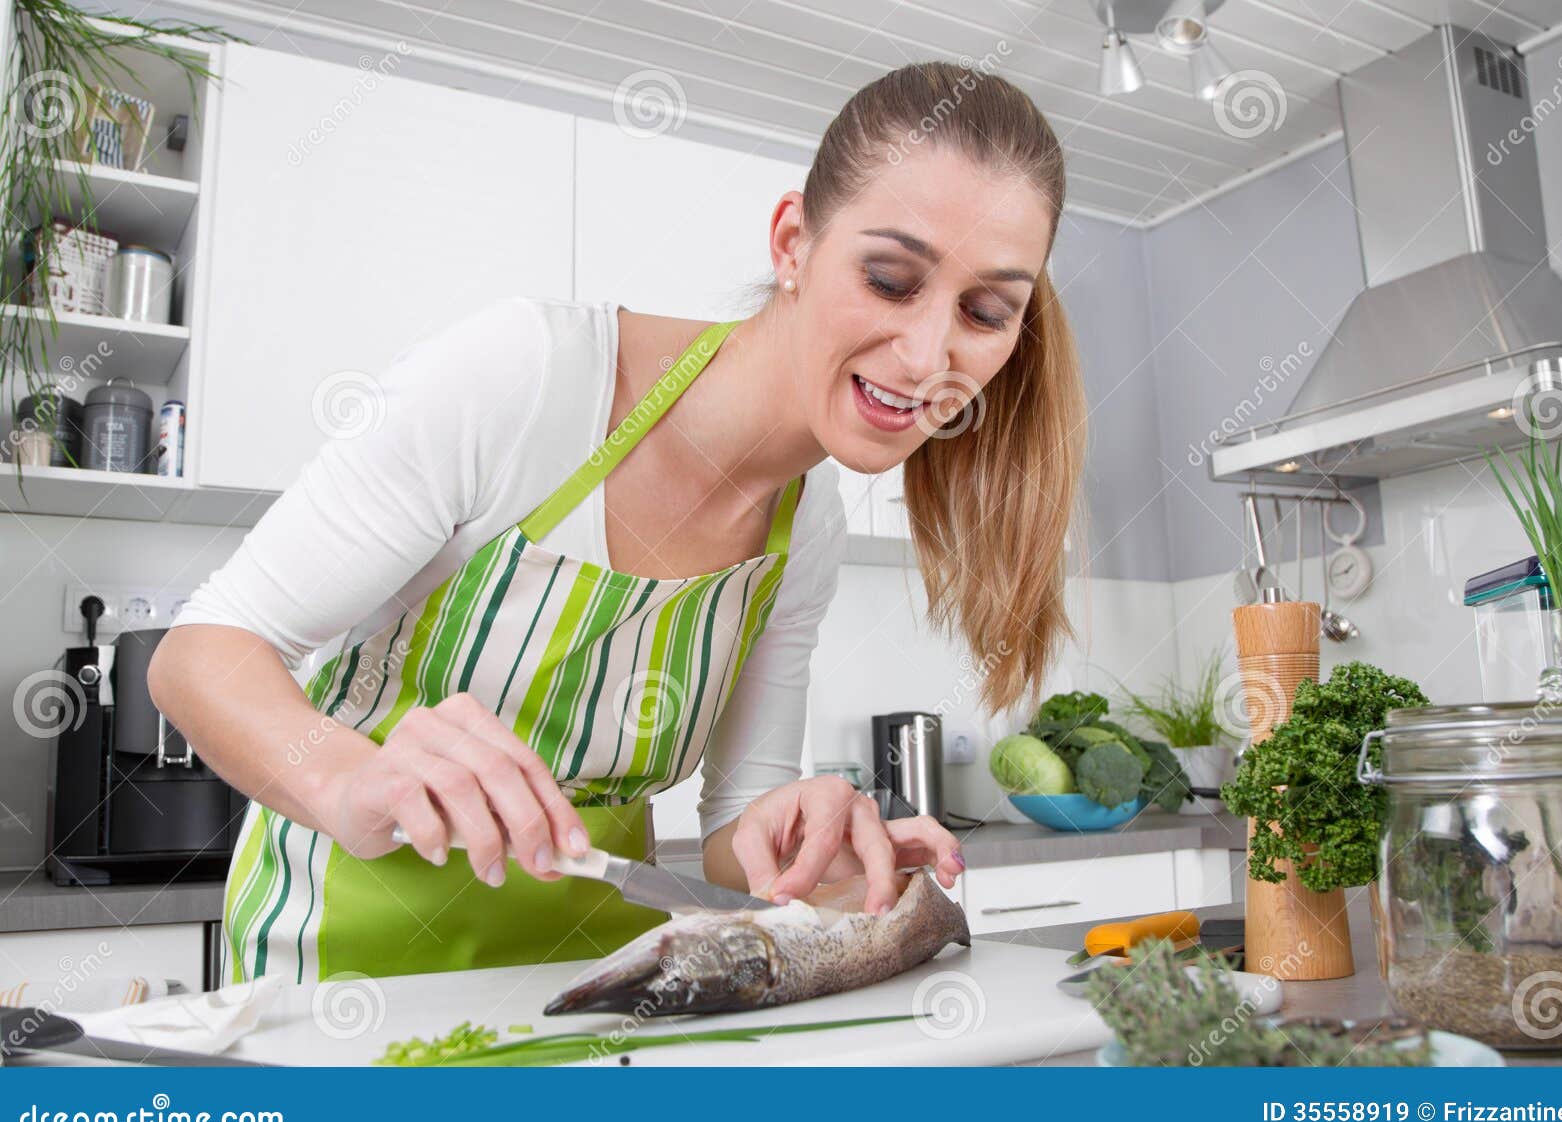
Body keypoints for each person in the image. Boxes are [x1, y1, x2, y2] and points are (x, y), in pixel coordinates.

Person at [149, 60, 1088, 984]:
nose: (930, 356)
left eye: (985, 310)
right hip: (333, 982)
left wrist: (804, 849)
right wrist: (345, 776)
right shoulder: (526, 380)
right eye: (889, 279)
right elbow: (202, 652)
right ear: (793, 243)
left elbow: (735, 834)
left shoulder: (807, 528)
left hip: (591, 1002)